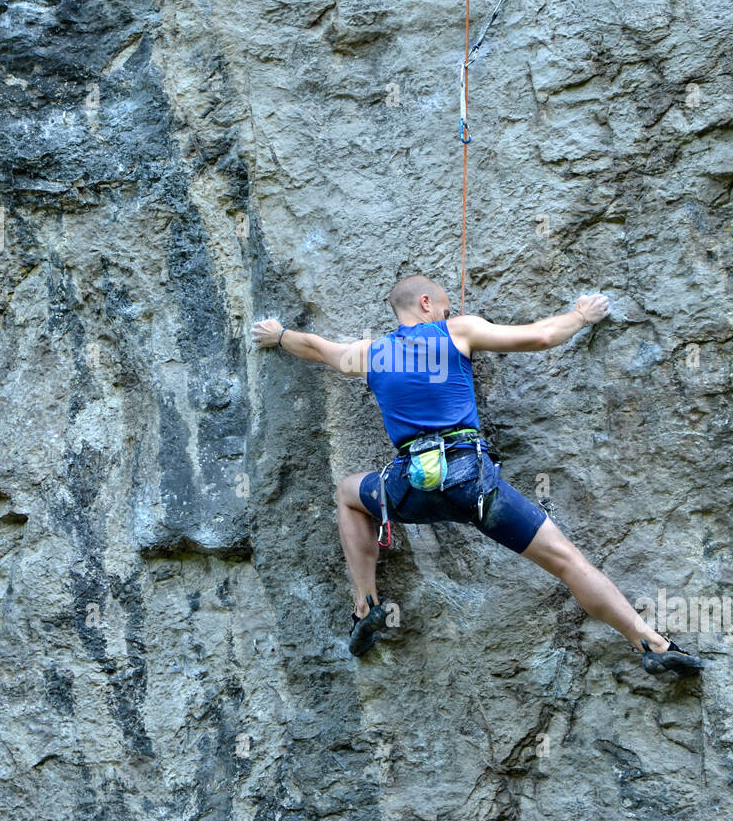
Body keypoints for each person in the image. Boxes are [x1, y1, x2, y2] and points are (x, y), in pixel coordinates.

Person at [252, 274, 704, 675]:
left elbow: (314, 348)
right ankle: (652, 644)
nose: (451, 311)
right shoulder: (457, 330)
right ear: (427, 303)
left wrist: (278, 334)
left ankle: (366, 603)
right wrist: (581, 315)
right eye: (446, 304)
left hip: (409, 491)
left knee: (349, 493)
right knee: (568, 562)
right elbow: (542, 338)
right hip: (472, 487)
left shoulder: (369, 353)